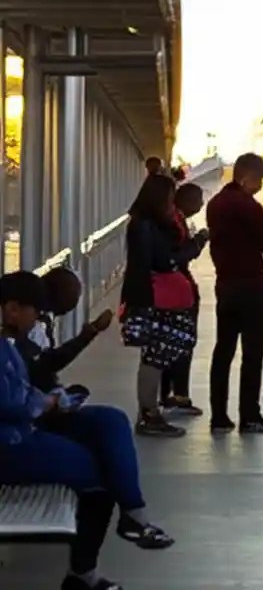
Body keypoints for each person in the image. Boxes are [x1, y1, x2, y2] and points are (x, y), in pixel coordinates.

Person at [0, 271, 174, 590]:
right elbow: (12, 400)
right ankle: (83, 574)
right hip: (12, 442)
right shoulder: (7, 345)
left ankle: (134, 515)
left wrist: (52, 398)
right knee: (100, 476)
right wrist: (49, 402)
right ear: (12, 309)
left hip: (22, 430)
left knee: (112, 421)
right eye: (33, 312)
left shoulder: (11, 342)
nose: (37, 319)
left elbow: (23, 386)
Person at [206, 153, 263, 434]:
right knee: (252, 354)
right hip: (251, 287)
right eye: (259, 180)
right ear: (247, 177)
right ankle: (250, 416)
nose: (260, 186)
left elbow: (235, 237)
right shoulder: (249, 206)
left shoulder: (216, 204)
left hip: (225, 286)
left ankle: (219, 416)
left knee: (223, 350)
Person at [120, 174, 204, 437]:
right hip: (153, 300)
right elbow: (162, 261)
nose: (172, 204)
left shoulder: (148, 224)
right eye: (169, 199)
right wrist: (195, 245)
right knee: (155, 357)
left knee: (156, 355)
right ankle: (148, 414)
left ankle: (150, 411)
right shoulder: (145, 227)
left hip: (154, 299)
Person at [159, 183, 206, 416]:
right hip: (177, 291)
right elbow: (175, 256)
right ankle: (178, 395)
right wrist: (198, 242)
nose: (201, 205)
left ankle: (169, 395)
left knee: (174, 342)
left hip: (176, 288)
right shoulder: (174, 221)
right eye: (198, 199)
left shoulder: (172, 219)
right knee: (182, 341)